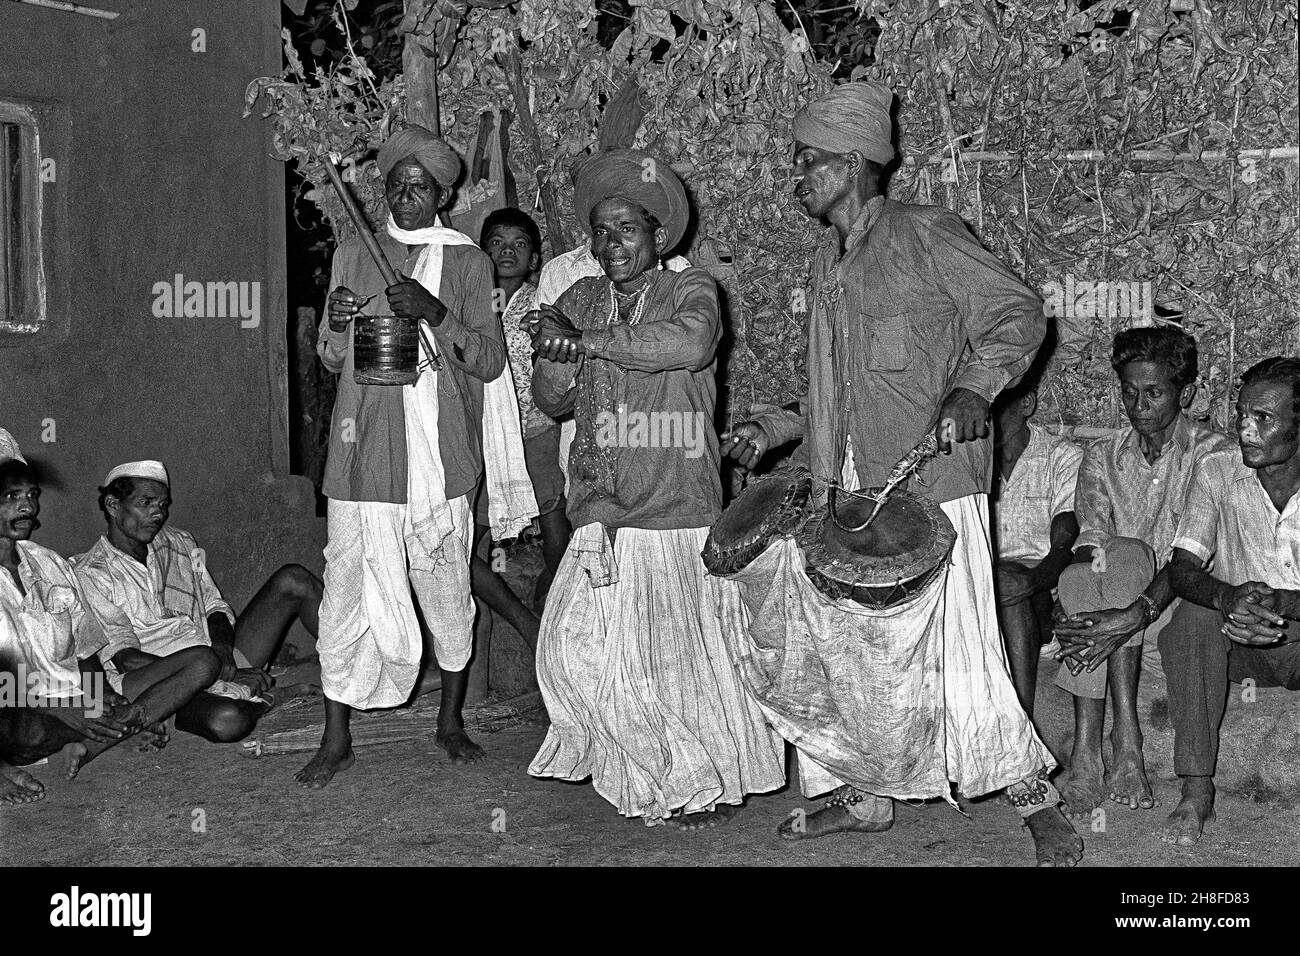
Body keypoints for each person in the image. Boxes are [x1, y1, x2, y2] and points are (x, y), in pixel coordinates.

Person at [722, 81, 1081, 865]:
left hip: (932, 486)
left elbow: (1019, 312)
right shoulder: (825, 260)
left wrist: (973, 386)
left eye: (808, 160)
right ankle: (863, 794)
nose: (797, 175)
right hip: (843, 487)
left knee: (962, 648)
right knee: (843, 646)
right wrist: (773, 426)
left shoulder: (925, 234)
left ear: (853, 163)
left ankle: (1034, 798)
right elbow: (831, 391)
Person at [525, 148, 785, 827]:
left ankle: (689, 786)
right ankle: (650, 773)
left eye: (627, 230)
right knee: (571, 656)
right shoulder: (578, 298)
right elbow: (553, 402)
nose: (612, 244)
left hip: (674, 504)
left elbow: (689, 345)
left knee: (674, 667)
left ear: (657, 235)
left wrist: (587, 342)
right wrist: (550, 353)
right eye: (602, 232)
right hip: (602, 506)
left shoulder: (690, 290)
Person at [306, 124, 533, 788]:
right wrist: (339, 324)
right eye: (396, 186)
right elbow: (326, 357)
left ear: (442, 194)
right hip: (360, 460)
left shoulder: (466, 263)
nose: (406, 198)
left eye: (420, 187)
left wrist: (434, 310)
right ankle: (336, 736)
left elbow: (489, 361)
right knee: (345, 592)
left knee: (445, 590)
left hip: (439, 458)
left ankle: (450, 721)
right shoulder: (354, 252)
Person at [1051, 328, 1230, 819]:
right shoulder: (1103, 456)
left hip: (1176, 615)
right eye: (1129, 391)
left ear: (1186, 393)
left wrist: (1128, 609)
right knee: (1078, 575)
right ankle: (1096, 748)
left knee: (1128, 553)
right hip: (1113, 619)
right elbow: (1089, 542)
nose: (1138, 404)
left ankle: (1120, 734)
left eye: (1153, 392)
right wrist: (1083, 606)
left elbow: (1189, 558)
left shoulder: (1214, 455)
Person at [74, 461, 323, 761]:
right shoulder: (91, 573)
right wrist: (218, 678)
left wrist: (221, 649)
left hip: (217, 660)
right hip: (160, 683)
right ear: (113, 505)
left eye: (163, 504)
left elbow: (214, 606)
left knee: (293, 580)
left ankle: (358, 674)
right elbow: (127, 659)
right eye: (146, 503)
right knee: (228, 721)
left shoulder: (179, 542)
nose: (158, 513)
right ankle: (252, 701)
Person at [0, 457, 211, 783]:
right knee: (29, 732)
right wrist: (63, 709)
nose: (28, 506)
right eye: (12, 497)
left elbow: (85, 646)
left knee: (201, 662)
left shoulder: (49, 564)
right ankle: (112, 733)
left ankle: (103, 736)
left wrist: (101, 696)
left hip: (77, 695)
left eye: (31, 495)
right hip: (23, 708)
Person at [1164, 357, 1300, 846]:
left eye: (1264, 418)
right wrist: (1226, 597)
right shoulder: (1217, 471)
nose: (1245, 428)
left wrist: (1286, 603)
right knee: (1188, 623)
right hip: (1239, 644)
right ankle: (1197, 789)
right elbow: (1181, 568)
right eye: (1242, 413)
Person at [472, 207, 571, 630]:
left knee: (551, 506)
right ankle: (522, 623)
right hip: (483, 435)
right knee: (465, 539)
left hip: (534, 428)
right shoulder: (469, 301)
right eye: (496, 243)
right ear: (481, 252)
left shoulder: (541, 303)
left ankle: (560, 586)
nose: (507, 252)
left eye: (519, 244)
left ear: (534, 259)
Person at [990, 372, 1083, 718]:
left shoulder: (1062, 457)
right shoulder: (969, 464)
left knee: (1011, 582)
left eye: (997, 408)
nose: (986, 422)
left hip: (1041, 588)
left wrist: (1030, 581)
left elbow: (1065, 540)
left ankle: (1020, 725)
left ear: (1027, 404)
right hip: (984, 587)